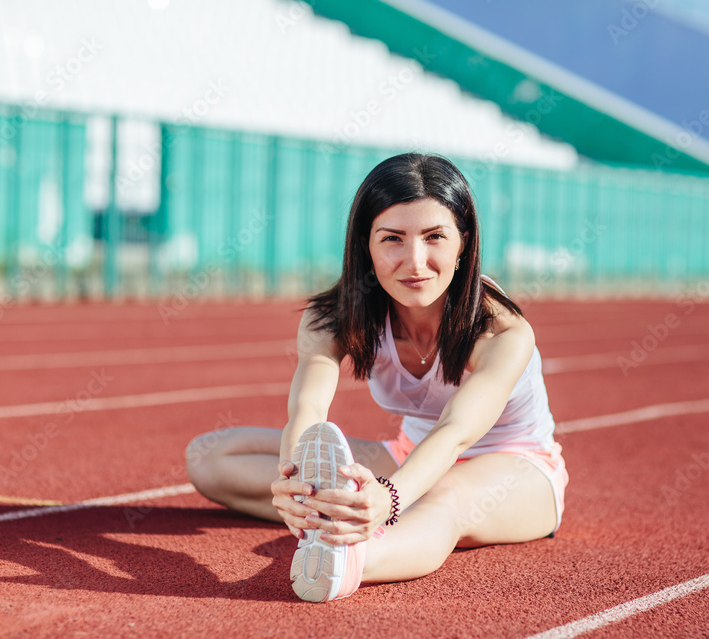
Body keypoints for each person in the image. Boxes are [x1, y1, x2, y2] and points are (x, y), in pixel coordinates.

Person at [186, 153, 568, 602]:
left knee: (444, 498)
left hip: (517, 467)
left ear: (463, 243)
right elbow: (308, 409)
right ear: (364, 243)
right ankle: (334, 517)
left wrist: (388, 497)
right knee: (209, 457)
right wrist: (295, 481)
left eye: (434, 237)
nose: (415, 261)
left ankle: (349, 557)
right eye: (392, 239)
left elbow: (455, 433)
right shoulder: (330, 319)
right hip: (408, 454)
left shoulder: (501, 330)